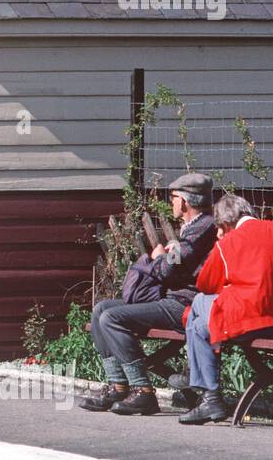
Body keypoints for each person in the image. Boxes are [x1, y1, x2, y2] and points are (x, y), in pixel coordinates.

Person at [173, 194, 273, 424]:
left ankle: (205, 391)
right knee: (199, 326)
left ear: (225, 224)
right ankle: (209, 398)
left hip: (251, 320)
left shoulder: (228, 243)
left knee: (199, 302)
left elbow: (205, 284)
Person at [81, 172, 217, 416]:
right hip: (174, 297)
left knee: (111, 318)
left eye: (173, 197)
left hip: (185, 305)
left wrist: (156, 258)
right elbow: (176, 267)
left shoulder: (202, 228)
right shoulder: (194, 228)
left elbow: (167, 270)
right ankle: (118, 385)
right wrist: (168, 258)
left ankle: (143, 391)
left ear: (185, 201)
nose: (171, 203)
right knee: (101, 309)